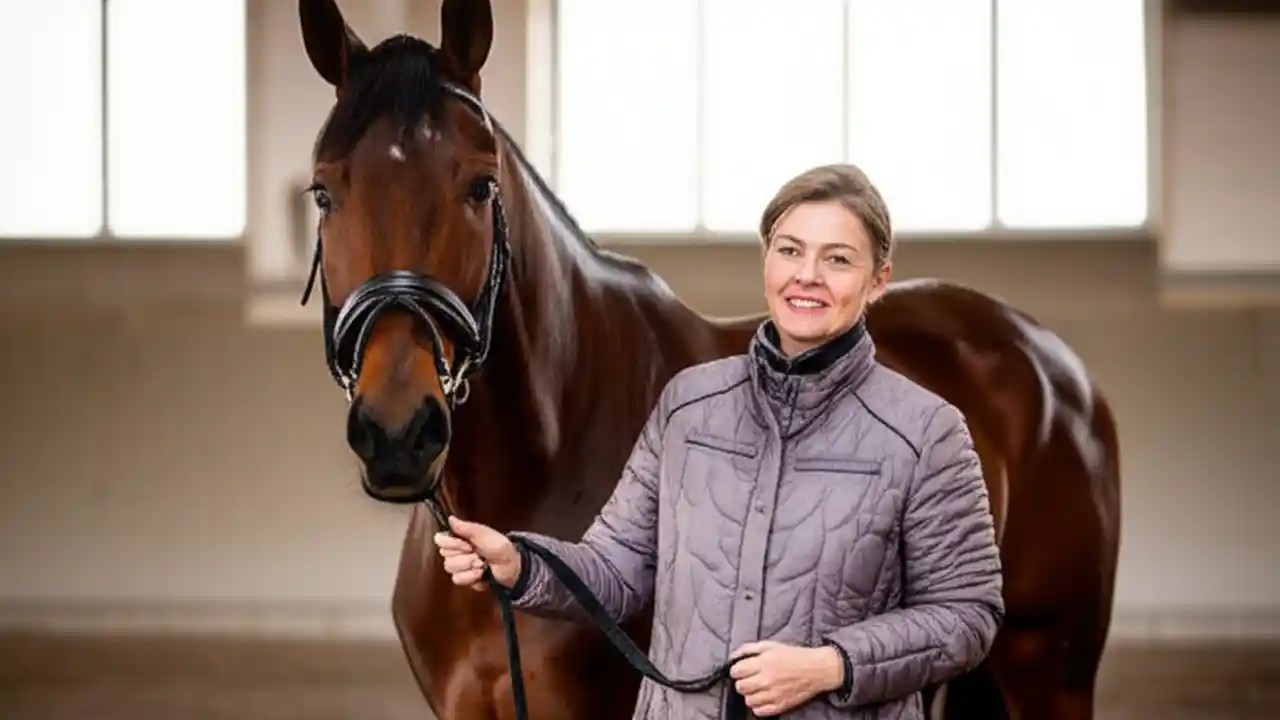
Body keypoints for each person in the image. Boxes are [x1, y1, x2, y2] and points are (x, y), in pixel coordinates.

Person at [434, 163, 1004, 719]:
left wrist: (832, 666)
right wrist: (521, 564)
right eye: (790, 250)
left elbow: (967, 615)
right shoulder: (689, 406)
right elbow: (617, 568)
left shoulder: (926, 432)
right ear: (767, 260)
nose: (807, 275)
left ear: (877, 280)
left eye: (837, 259)